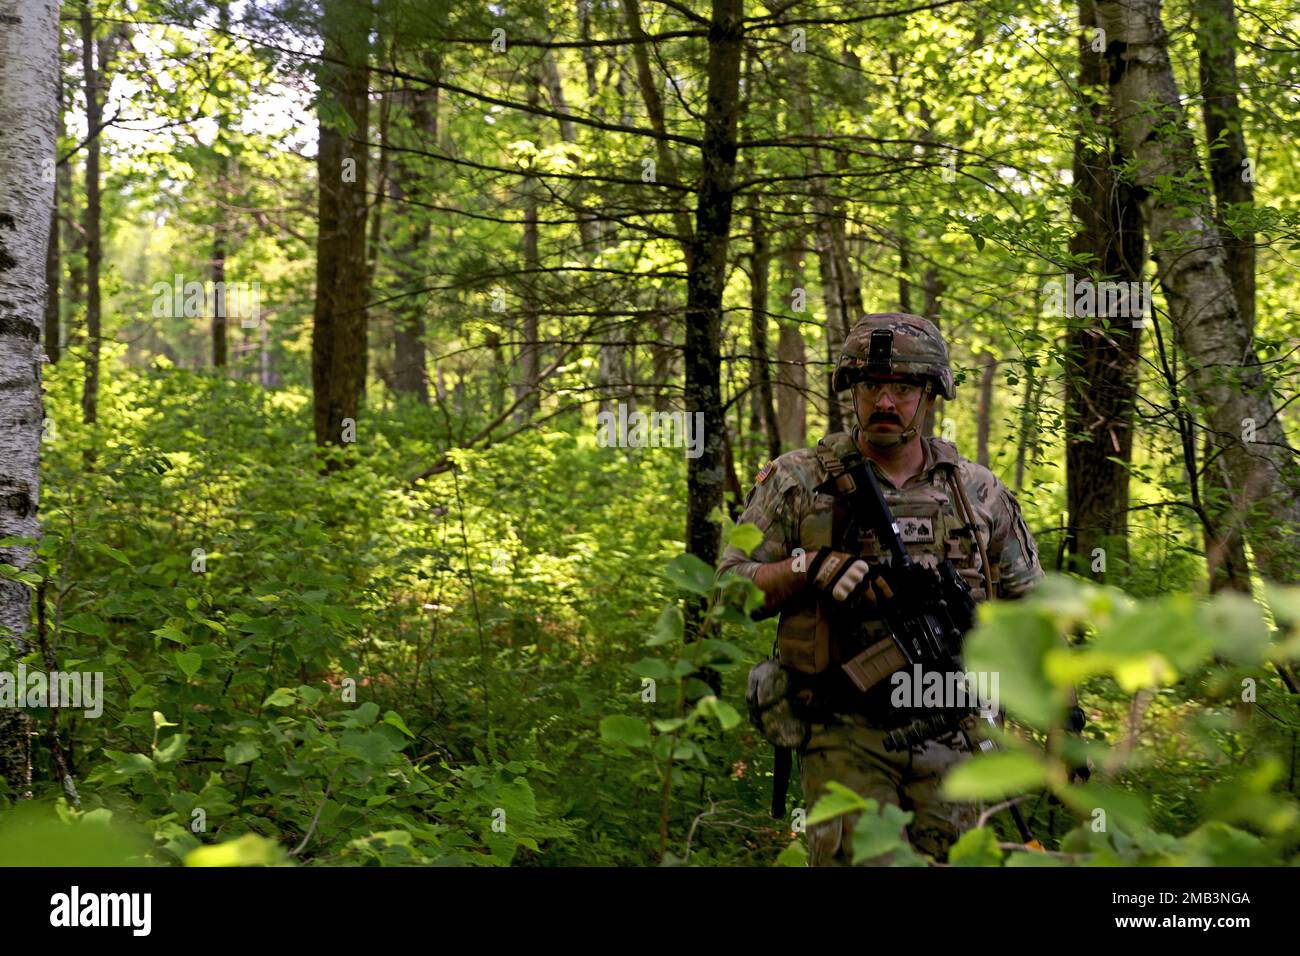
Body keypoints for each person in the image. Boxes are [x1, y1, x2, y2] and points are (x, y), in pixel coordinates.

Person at [718, 312, 1045, 865]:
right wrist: (808, 568)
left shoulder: (975, 491)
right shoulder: (799, 480)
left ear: (931, 394)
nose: (885, 403)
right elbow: (729, 590)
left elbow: (1033, 612)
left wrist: (1063, 720)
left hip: (955, 731)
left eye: (903, 388)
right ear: (853, 391)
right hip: (845, 731)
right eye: (871, 386)